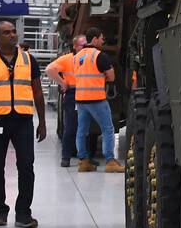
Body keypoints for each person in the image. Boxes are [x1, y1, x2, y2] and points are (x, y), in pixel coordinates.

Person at [0, 21, 47, 228]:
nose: (12, 35)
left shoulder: (28, 59)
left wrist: (42, 122)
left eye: (14, 32)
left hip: (23, 120)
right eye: (6, 33)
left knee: (26, 165)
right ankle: (0, 210)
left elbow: (38, 92)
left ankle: (23, 213)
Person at [73, 27, 123, 173]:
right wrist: (107, 80)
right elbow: (111, 76)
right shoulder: (99, 56)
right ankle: (110, 161)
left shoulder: (77, 56)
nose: (103, 41)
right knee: (108, 129)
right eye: (101, 38)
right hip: (96, 99)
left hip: (81, 100)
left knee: (82, 130)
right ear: (94, 39)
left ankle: (83, 161)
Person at [46, 35, 85, 168]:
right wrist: (63, 83)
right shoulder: (68, 59)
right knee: (71, 126)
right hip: (73, 94)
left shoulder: (90, 58)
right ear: (75, 46)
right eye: (82, 45)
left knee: (84, 127)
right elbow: (49, 69)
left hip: (87, 94)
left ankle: (84, 158)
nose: (85, 47)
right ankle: (66, 157)